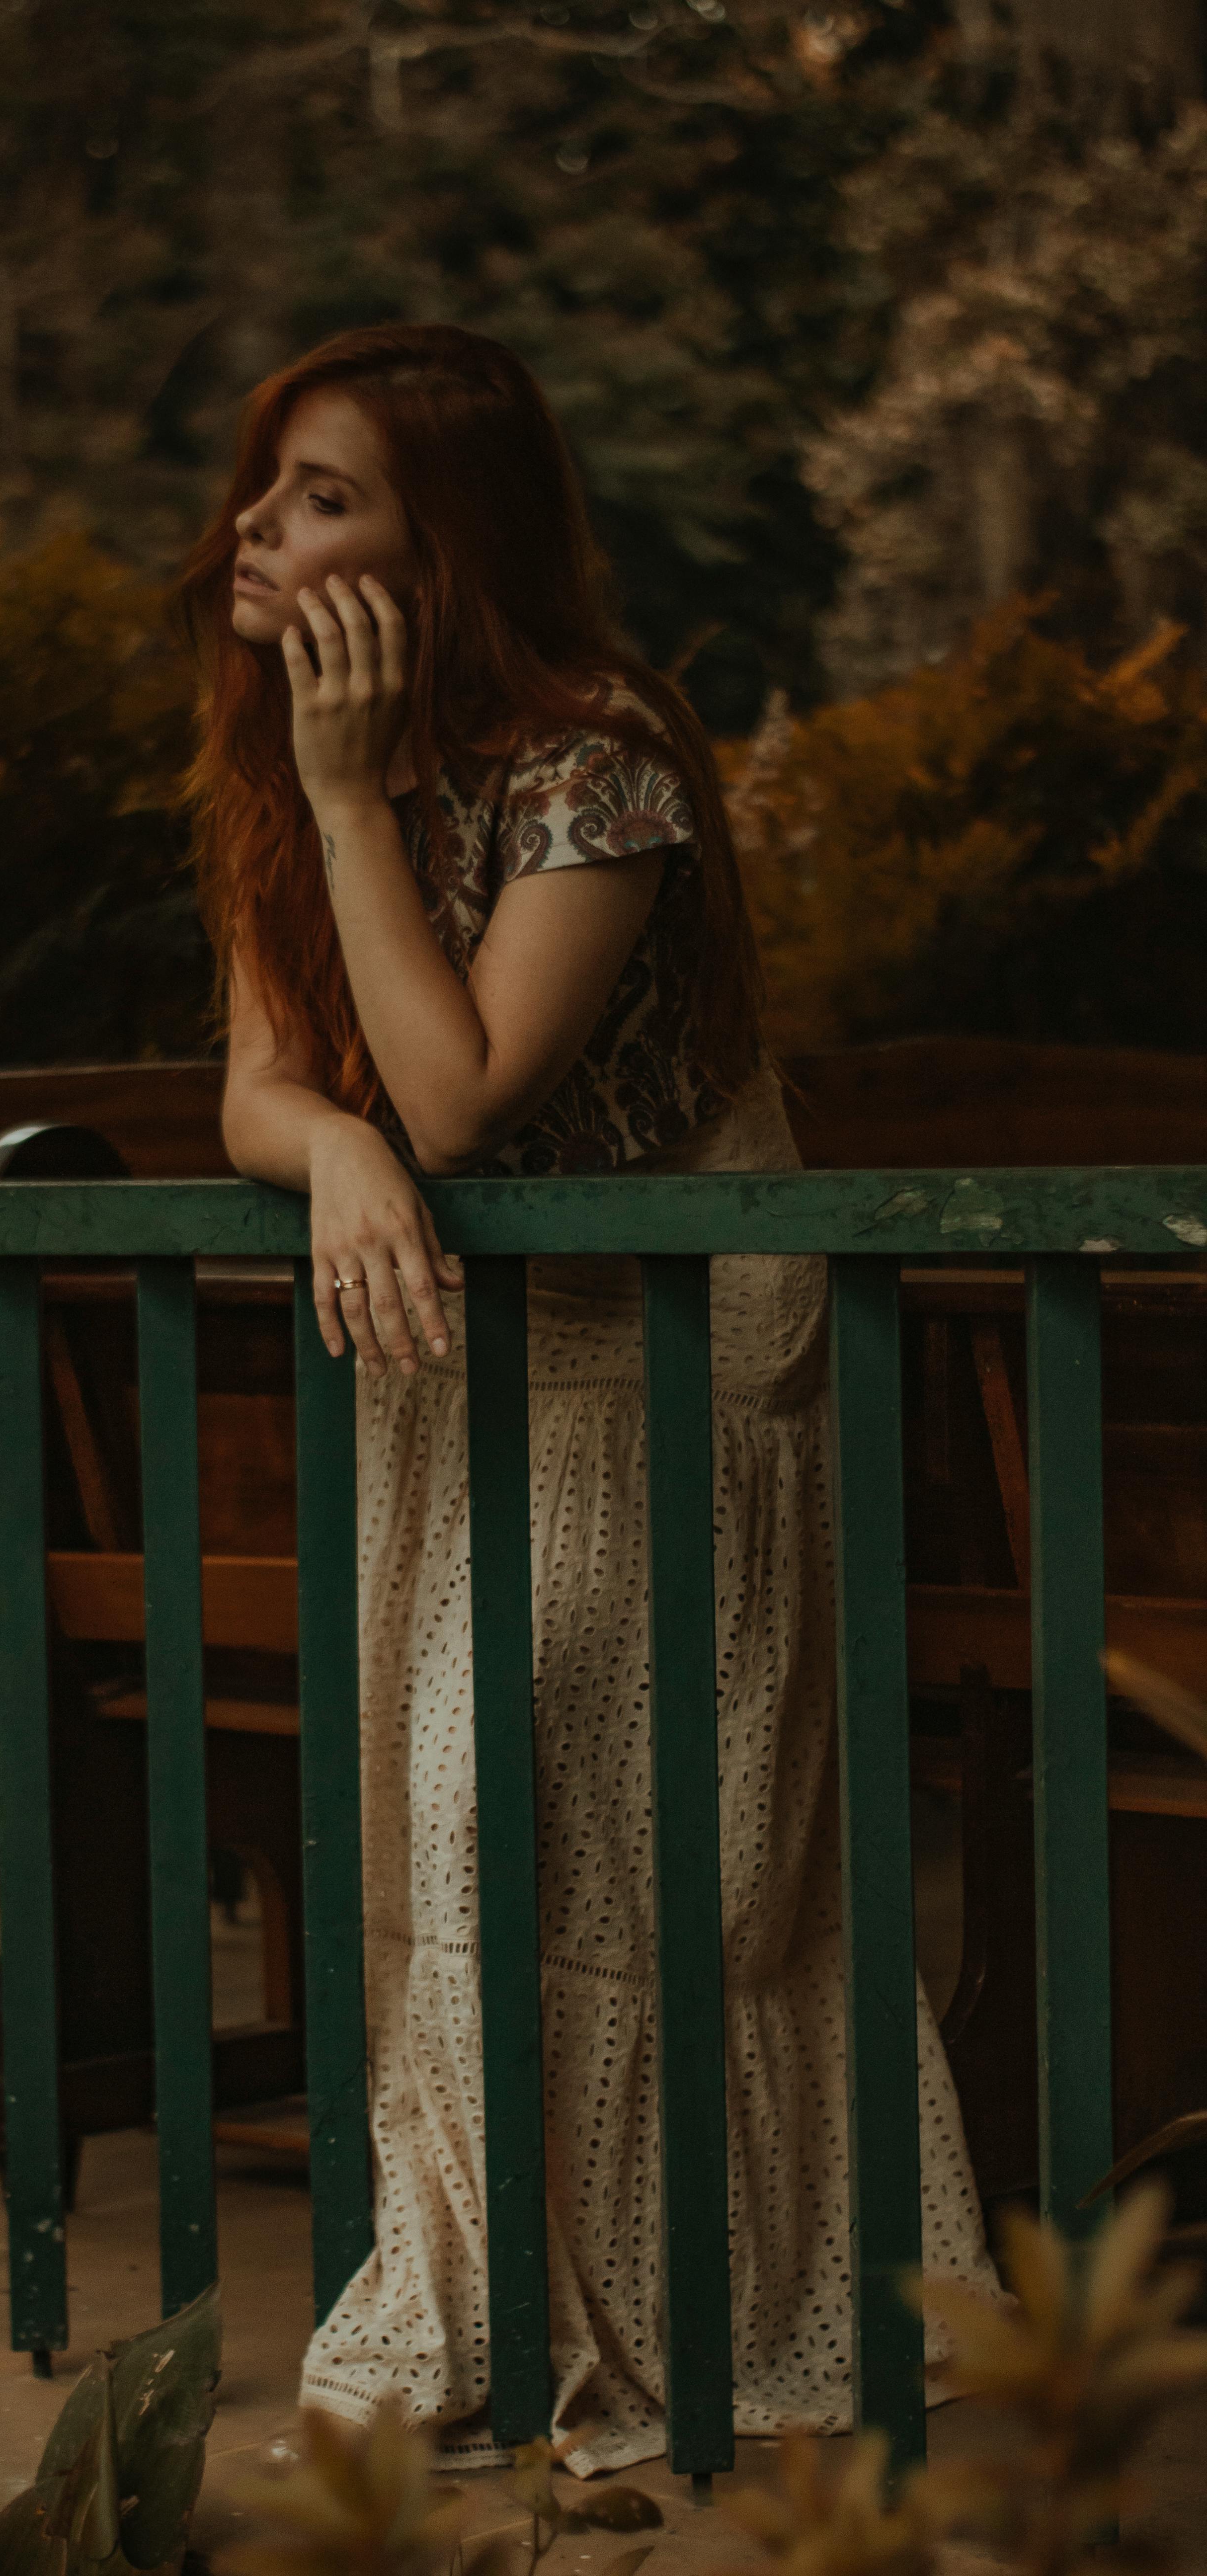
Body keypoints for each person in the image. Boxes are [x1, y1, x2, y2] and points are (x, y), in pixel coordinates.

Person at [177, 323, 992, 2470]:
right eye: (265, 488)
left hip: (671, 1370)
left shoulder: (595, 758)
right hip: (464, 1375)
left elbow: (454, 1092)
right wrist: (327, 1145)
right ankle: (481, 2310)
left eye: (321, 496)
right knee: (452, 1836)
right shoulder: (282, 766)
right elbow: (277, 1087)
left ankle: (705, 2314)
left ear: (446, 541)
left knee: (650, 1871)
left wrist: (358, 846)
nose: (256, 529)